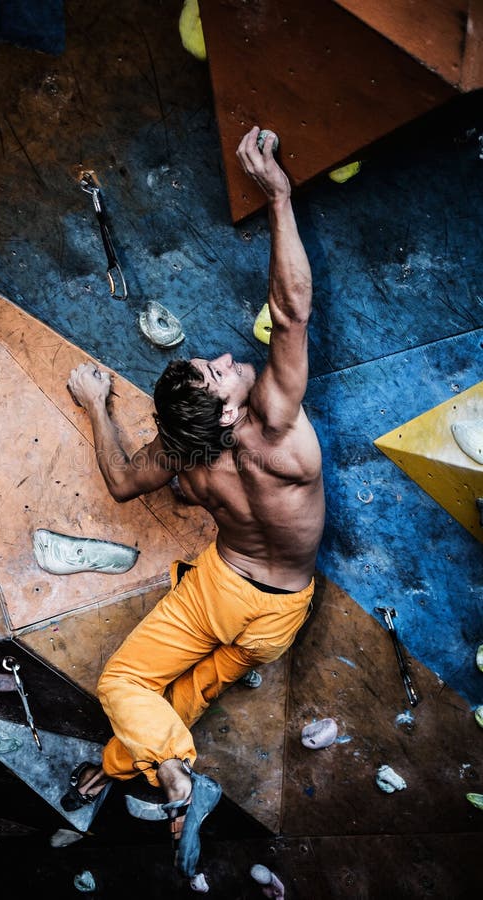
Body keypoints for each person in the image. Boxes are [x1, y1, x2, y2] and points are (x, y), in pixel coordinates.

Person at [64, 125, 325, 880]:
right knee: (151, 694)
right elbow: (292, 307)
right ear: (227, 415)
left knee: (135, 689)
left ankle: (141, 770)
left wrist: (93, 405)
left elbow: (120, 479)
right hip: (278, 619)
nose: (223, 359)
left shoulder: (185, 452)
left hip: (218, 594)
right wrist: (278, 197)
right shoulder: (274, 425)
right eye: (218, 375)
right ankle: (173, 779)